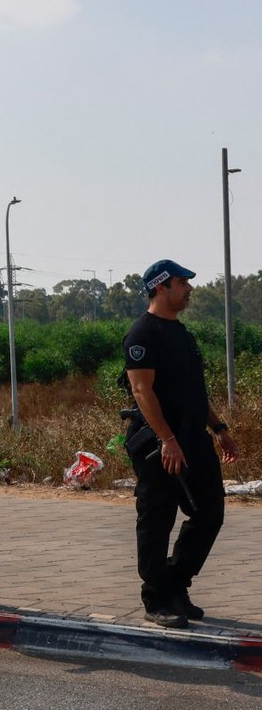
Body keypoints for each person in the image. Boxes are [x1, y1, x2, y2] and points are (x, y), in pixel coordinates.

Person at [122, 259, 240, 628]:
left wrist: (218, 427)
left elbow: (194, 391)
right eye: (182, 282)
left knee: (210, 513)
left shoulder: (183, 335)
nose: (189, 288)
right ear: (161, 287)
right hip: (161, 446)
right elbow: (142, 391)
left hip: (193, 439)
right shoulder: (143, 334)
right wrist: (167, 439)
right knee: (157, 520)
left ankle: (176, 582)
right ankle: (156, 598)